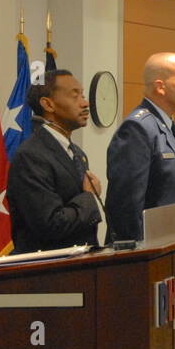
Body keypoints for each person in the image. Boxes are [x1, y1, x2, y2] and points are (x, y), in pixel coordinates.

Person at [6, 69, 103, 253]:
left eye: (82, 95)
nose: (84, 103)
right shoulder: (31, 156)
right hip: (48, 273)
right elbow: (50, 224)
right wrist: (89, 198)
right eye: (75, 96)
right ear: (48, 104)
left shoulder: (77, 153)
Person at [105, 52, 175, 242]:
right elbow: (126, 206)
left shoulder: (169, 127)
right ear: (160, 87)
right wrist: (139, 255)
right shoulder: (138, 128)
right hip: (148, 255)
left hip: (172, 244)